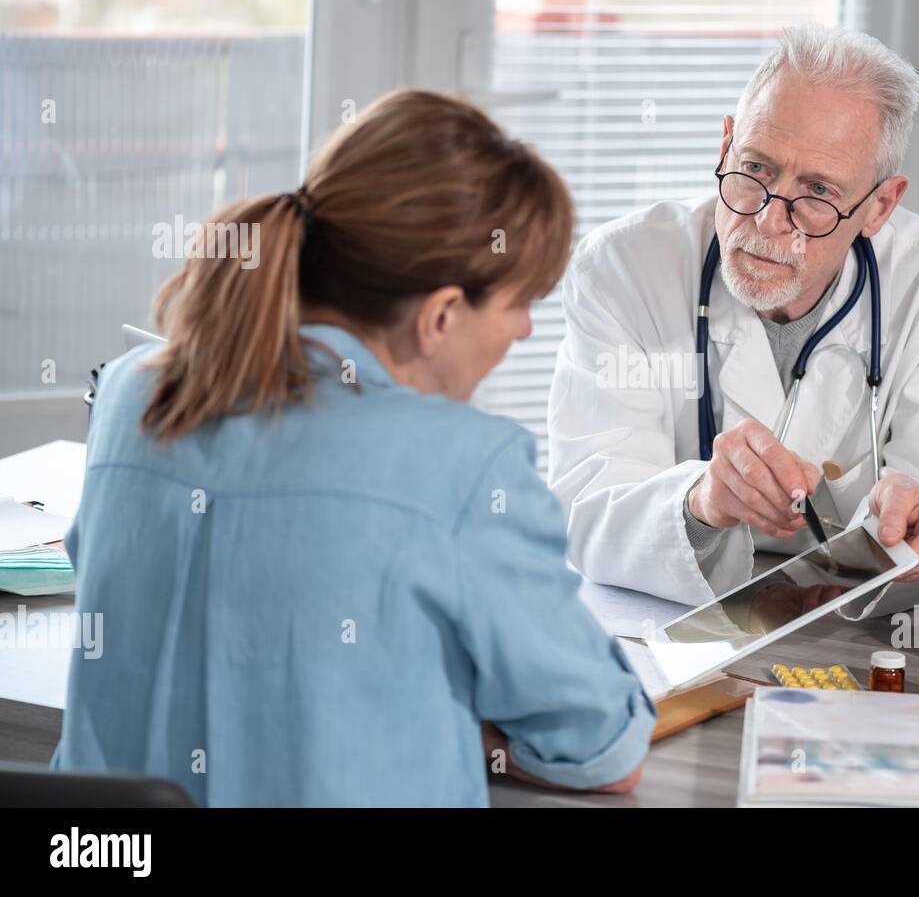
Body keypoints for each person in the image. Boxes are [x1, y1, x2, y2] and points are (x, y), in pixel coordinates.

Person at [52, 89, 655, 806]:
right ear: (440, 315)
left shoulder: (128, 394)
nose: (525, 330)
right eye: (519, 303)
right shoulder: (464, 467)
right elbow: (605, 747)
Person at [548, 23, 919, 616]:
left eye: (817, 190)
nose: (767, 220)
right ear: (725, 144)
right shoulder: (626, 268)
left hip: (858, 624)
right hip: (670, 616)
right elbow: (590, 506)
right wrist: (702, 501)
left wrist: (916, 517)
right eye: (757, 168)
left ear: (879, 206)